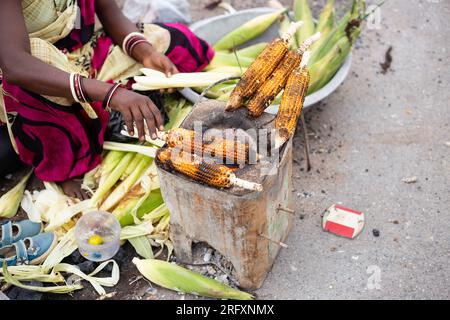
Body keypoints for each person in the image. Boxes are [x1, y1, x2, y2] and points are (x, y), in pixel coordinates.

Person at [0, 0, 214, 198]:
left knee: (178, 41)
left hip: (86, 51)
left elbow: (109, 11)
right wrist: (110, 94)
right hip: (40, 71)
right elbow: (15, 66)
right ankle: (66, 167)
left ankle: (99, 118)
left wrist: (145, 52)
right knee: (30, 95)